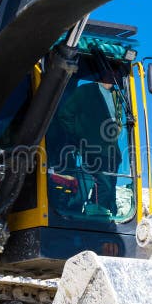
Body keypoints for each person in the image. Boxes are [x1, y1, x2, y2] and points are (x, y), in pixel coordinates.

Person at [55, 78, 123, 215]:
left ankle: (104, 215)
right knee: (104, 186)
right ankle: (100, 219)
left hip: (112, 152)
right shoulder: (85, 92)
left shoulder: (117, 95)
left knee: (109, 191)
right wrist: (80, 137)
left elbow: (118, 121)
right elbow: (64, 115)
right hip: (92, 149)